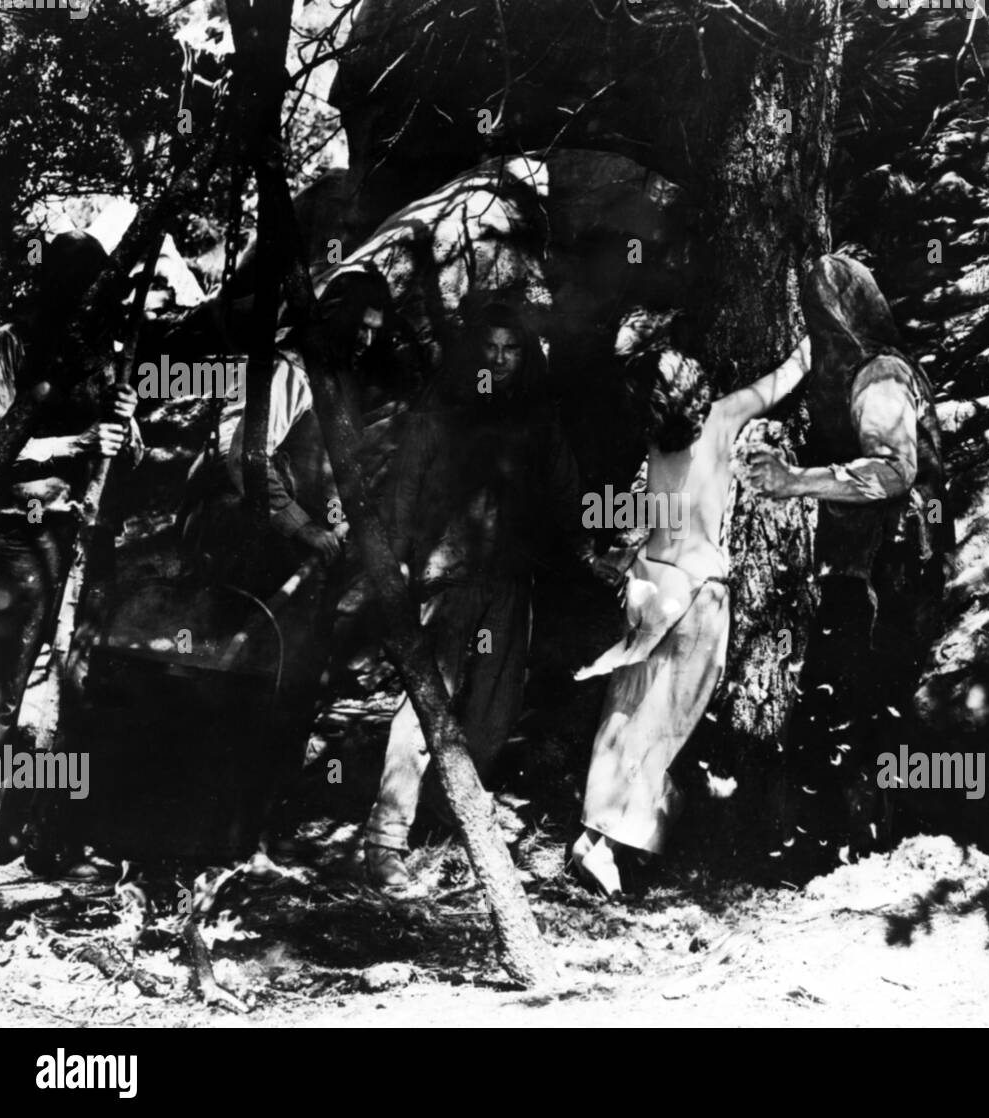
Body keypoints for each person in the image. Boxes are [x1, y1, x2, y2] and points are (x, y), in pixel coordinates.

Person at [364, 301, 610, 891]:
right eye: (490, 348)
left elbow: (565, 490)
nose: (499, 361)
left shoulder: (536, 418)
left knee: (493, 714)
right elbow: (404, 489)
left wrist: (590, 556)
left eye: (511, 350)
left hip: (508, 581)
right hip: (447, 578)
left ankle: (451, 823)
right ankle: (384, 841)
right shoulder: (442, 409)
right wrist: (395, 563)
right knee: (426, 707)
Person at [571, 338, 811, 896]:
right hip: (697, 592)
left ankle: (594, 829)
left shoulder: (656, 440)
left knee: (626, 716)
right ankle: (610, 847)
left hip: (649, 583)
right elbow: (784, 377)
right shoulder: (724, 418)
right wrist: (810, 340)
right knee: (665, 728)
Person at [178, 262, 393, 858]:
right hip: (254, 554)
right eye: (361, 327)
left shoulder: (332, 378)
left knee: (292, 691)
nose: (367, 341)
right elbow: (242, 455)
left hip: (303, 563)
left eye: (377, 330)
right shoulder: (284, 371)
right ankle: (210, 829)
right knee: (239, 686)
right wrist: (301, 527)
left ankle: (260, 825)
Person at [745, 249, 952, 866]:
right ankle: (848, 837)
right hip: (873, 562)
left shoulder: (880, 379)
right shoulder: (852, 363)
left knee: (857, 695)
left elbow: (893, 472)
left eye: (817, 315)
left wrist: (794, 480)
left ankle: (850, 844)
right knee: (849, 694)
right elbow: (786, 375)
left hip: (894, 564)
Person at [0, 232, 140, 874]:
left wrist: (126, 426)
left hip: (87, 534)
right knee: (1, 688)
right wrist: (71, 444)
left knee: (72, 685)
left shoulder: (105, 357)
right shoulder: (12, 344)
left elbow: (127, 454)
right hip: (25, 533)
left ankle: (47, 834)